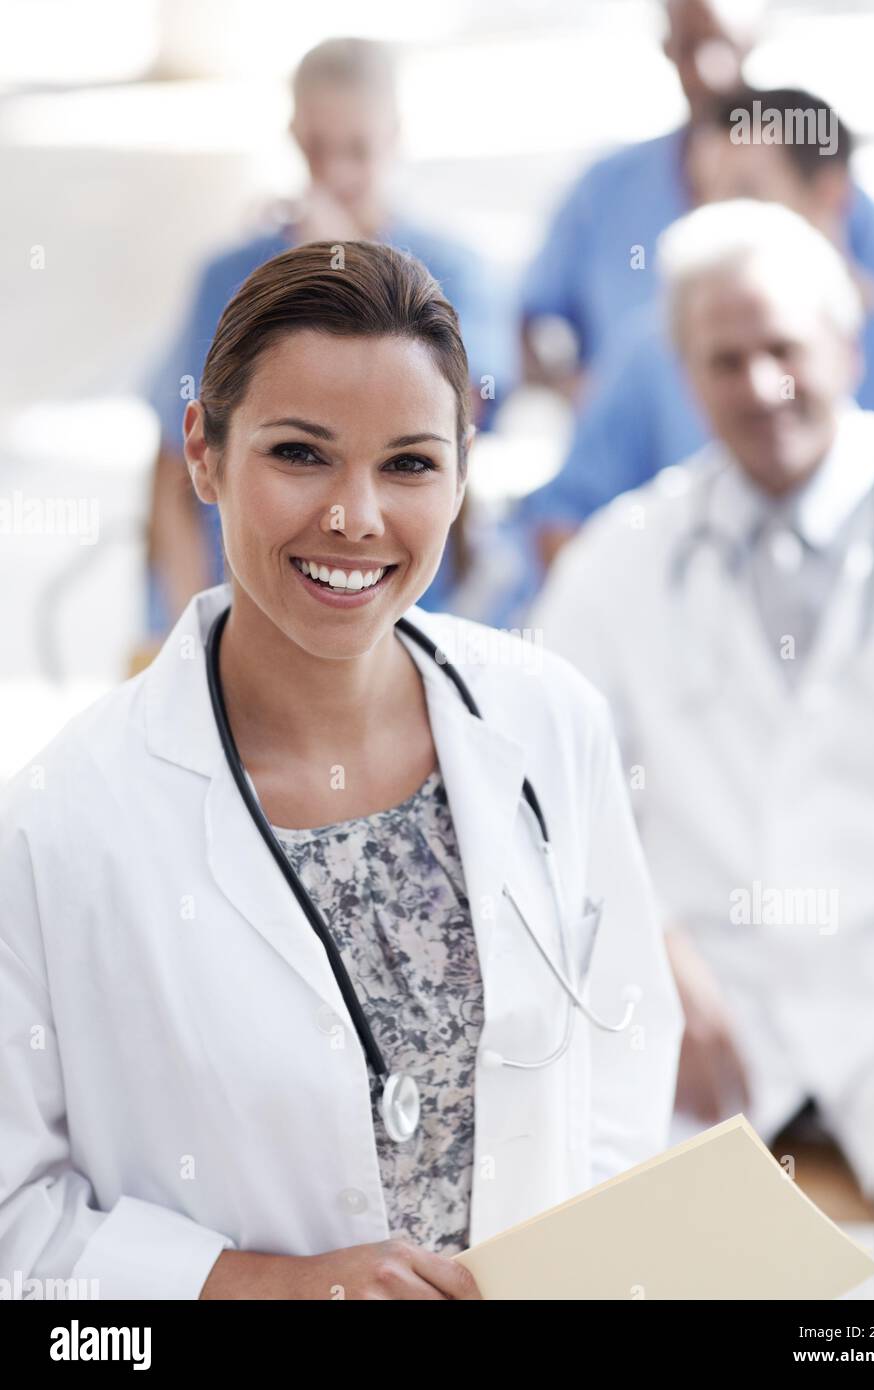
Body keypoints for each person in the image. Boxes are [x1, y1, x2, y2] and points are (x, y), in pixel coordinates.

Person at [0, 241, 682, 1300]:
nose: (356, 517)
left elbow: (626, 1068)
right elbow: (13, 1220)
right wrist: (267, 1286)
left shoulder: (550, 722)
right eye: (301, 455)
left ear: (462, 475)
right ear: (204, 454)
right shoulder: (59, 826)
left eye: (409, 463)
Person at [530, 200, 874, 1280]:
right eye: (725, 361)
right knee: (603, 1248)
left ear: (848, 346)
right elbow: (532, 791)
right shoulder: (621, 560)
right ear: (686, 374)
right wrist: (649, 943)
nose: (763, 387)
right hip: (708, 1012)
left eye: (786, 349)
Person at [518, 88, 874, 573]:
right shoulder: (653, 352)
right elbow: (563, 519)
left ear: (829, 192)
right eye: (701, 197)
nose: (712, 221)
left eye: (743, 196)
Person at [146, 36, 516, 639]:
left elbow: (461, 410)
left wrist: (349, 264)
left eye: (358, 150)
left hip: (415, 611)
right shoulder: (226, 275)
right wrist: (191, 637)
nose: (338, 174)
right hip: (246, 609)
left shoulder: (460, 270)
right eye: (320, 149)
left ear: (395, 135)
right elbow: (170, 472)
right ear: (294, 135)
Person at [519, 0, 874, 405]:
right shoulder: (646, 359)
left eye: (746, 194)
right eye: (692, 44)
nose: (711, 68)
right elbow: (532, 317)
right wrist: (584, 393)